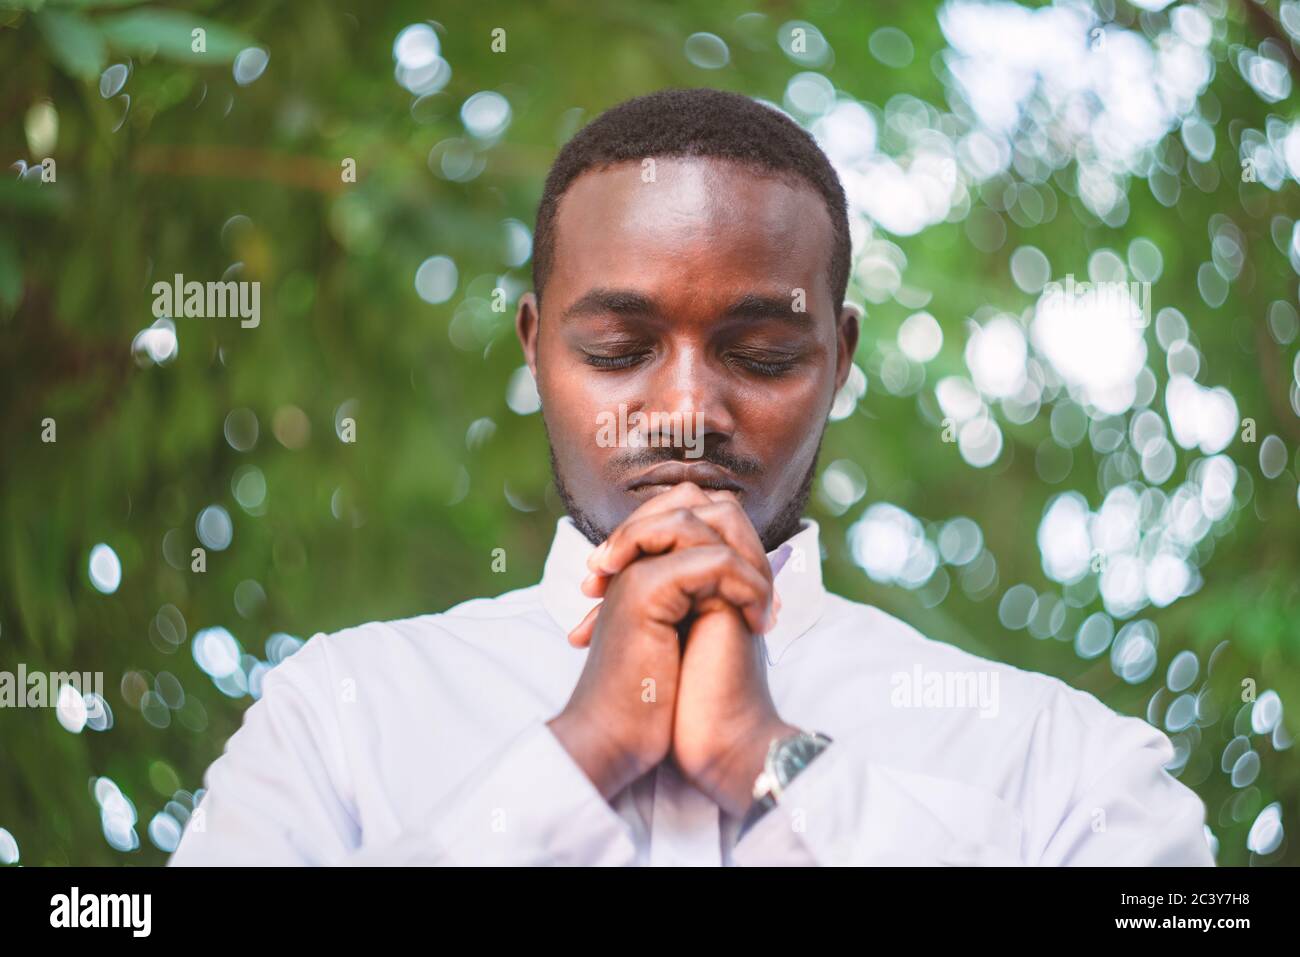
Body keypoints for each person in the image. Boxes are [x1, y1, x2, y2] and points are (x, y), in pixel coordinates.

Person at [170, 88, 1215, 866]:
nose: (684, 412)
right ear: (534, 349)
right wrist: (570, 761)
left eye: (759, 355)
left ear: (839, 361)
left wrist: (781, 765)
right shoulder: (339, 716)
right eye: (620, 349)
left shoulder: (1069, 764)